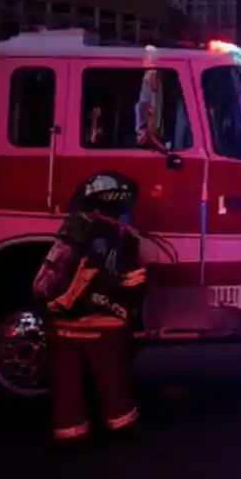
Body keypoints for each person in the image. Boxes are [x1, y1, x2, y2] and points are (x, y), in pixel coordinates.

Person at [32, 172, 147, 445]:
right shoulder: (126, 238)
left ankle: (70, 432)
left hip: (63, 323)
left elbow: (45, 281)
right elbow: (134, 284)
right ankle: (121, 425)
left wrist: (47, 307)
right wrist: (129, 314)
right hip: (106, 327)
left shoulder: (73, 228)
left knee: (67, 382)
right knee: (111, 378)